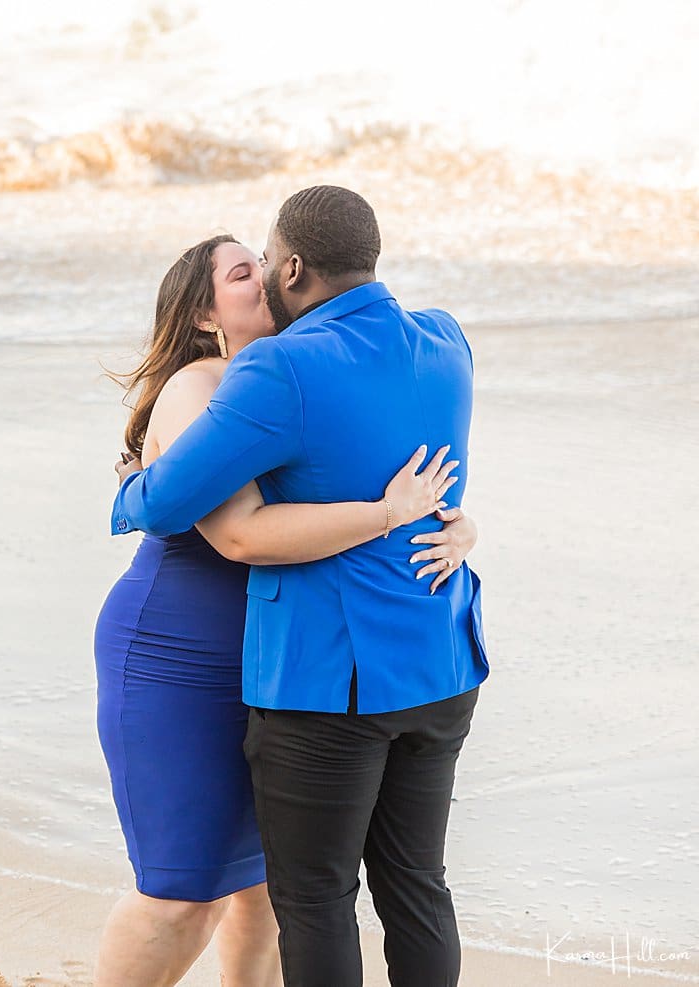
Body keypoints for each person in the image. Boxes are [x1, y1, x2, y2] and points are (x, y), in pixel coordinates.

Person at [111, 188, 488, 987]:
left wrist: (131, 488)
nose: (258, 281)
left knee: (305, 898)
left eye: (260, 263)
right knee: (399, 889)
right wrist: (404, 516)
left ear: (292, 267)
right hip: (403, 661)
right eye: (234, 272)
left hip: (322, 671)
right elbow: (239, 529)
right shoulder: (444, 337)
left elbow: (174, 500)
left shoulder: (281, 369)